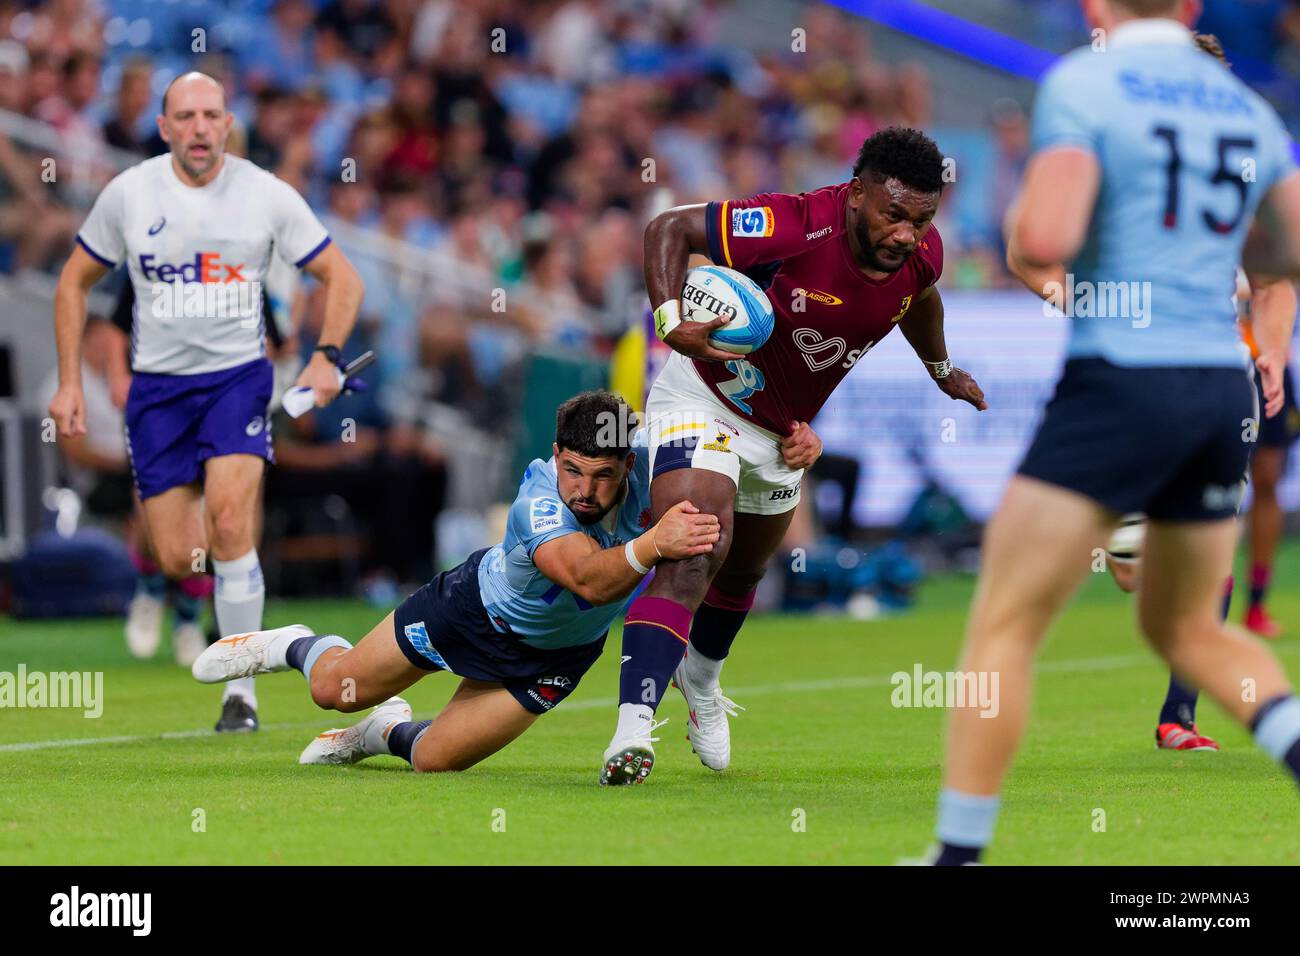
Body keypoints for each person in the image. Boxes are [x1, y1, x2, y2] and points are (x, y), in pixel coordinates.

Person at [926, 0, 1300, 866]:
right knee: (1194, 628)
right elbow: (1287, 250)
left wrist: (1075, 260)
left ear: (1096, 8)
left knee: (1005, 622)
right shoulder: (1249, 113)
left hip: (1124, 379)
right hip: (1220, 389)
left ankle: (956, 854)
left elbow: (1046, 235)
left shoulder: (1086, 82)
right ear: (1192, 8)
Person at [602, 126, 987, 785]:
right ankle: (632, 731)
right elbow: (668, 228)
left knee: (744, 573)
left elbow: (918, 300)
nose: (906, 234)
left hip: (784, 435)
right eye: (893, 214)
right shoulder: (793, 224)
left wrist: (940, 368)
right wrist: (670, 320)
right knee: (695, 547)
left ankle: (701, 679)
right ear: (859, 193)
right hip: (706, 396)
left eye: (921, 220)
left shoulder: (922, 255)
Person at [48, 71, 364, 732]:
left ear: (226, 124)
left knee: (228, 523)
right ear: (164, 128)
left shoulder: (265, 195)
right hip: (157, 392)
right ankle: (166, 588)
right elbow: (73, 284)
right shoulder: (129, 194)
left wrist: (327, 356)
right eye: (185, 116)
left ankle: (241, 691)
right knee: (177, 555)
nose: (198, 127)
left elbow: (341, 276)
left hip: (236, 380)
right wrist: (70, 381)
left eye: (211, 115)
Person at [190, 391, 721, 773]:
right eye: (573, 470)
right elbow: (588, 580)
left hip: (558, 658)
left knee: (432, 760)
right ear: (557, 456)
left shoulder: (656, 466)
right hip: (469, 612)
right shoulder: (536, 503)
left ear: (629, 463)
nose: (584, 491)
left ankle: (381, 732)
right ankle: (291, 643)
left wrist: (788, 445)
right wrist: (655, 542)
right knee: (334, 690)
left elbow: (720, 437)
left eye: (603, 476)